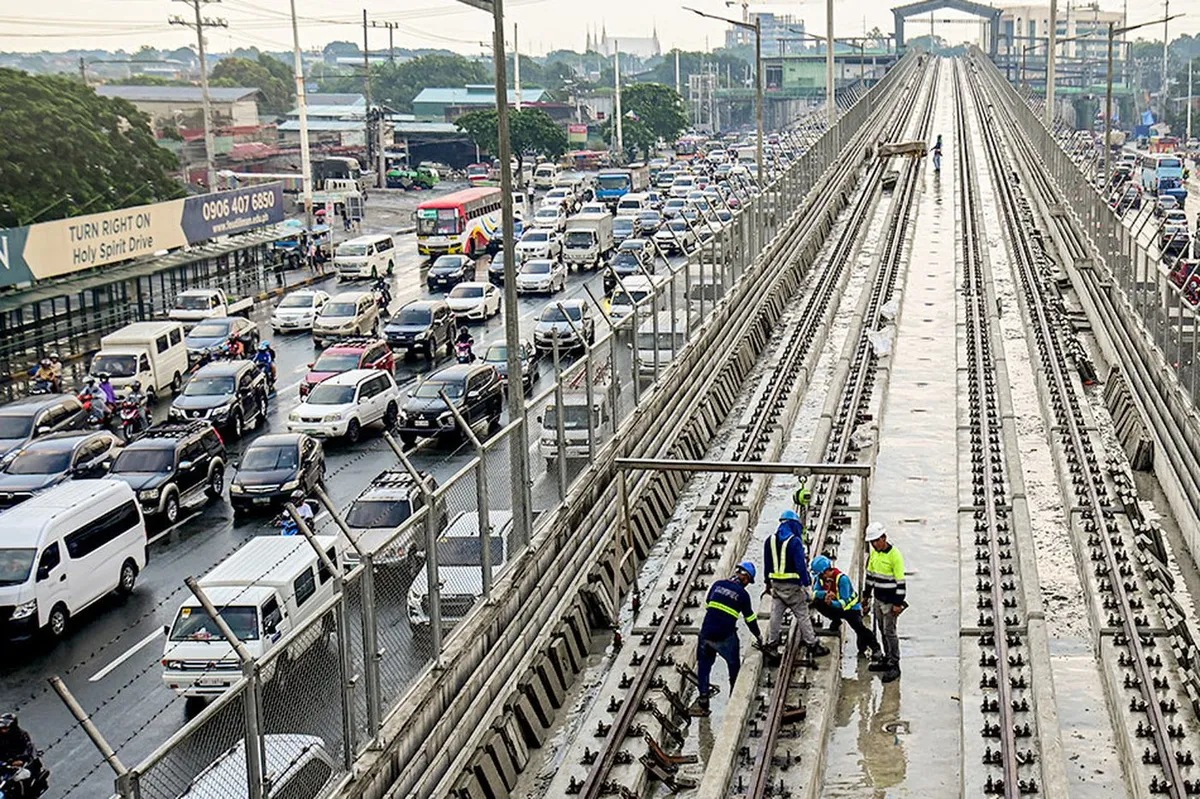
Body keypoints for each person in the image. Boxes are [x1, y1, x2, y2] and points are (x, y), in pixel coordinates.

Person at [691, 562, 763, 717]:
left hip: (706, 633)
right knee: (733, 665)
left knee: (704, 666)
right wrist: (758, 635)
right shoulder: (743, 595)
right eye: (748, 581)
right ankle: (733, 698)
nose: (747, 584)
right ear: (745, 577)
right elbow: (749, 618)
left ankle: (703, 698)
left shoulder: (718, 584)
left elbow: (709, 603)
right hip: (725, 636)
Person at [762, 510, 829, 662]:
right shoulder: (795, 542)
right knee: (802, 614)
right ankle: (812, 643)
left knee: (776, 615)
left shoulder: (770, 540)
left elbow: (767, 564)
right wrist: (807, 587)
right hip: (793, 588)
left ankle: (772, 644)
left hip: (777, 586)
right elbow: (801, 567)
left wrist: (767, 583)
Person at [810, 555, 880, 659]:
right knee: (817, 602)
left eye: (821, 575)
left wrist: (831, 603)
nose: (820, 577)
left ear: (826, 572)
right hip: (836, 607)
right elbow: (815, 593)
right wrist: (826, 594)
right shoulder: (820, 579)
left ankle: (875, 648)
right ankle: (836, 620)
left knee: (860, 630)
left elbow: (844, 603)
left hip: (850, 610)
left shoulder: (842, 580)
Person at [862, 522, 907, 683]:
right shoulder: (874, 554)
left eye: (876, 541)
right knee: (882, 629)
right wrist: (866, 596)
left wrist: (897, 603)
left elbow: (900, 582)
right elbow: (870, 577)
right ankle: (887, 658)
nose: (874, 545)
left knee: (890, 632)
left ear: (884, 538)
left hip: (890, 602)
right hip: (878, 599)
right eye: (872, 542)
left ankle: (894, 664)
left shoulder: (895, 555)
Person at [0, 713, 41, 795]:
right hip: (4, 765)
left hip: (21, 765)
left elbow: (28, 751)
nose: (2, 730)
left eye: (5, 728)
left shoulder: (22, 735)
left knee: (17, 779)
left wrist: (18, 761)